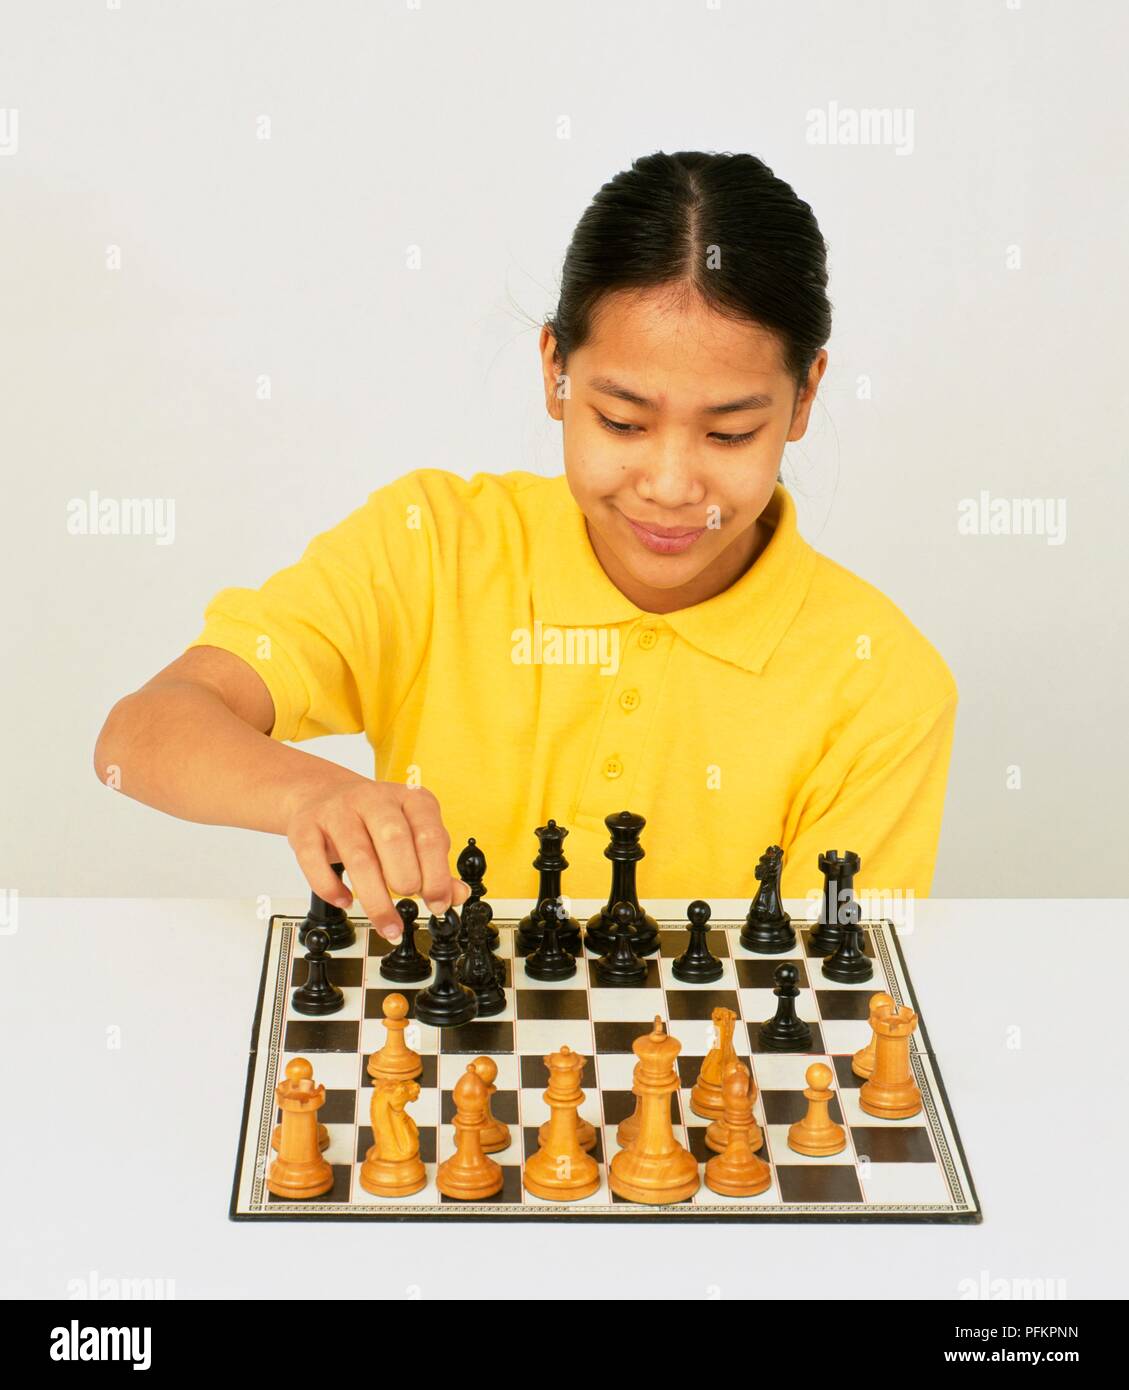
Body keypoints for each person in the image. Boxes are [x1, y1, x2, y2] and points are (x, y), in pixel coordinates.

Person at [93, 150, 957, 939]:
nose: (668, 483)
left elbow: (826, 1005)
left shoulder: (880, 683)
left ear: (805, 397)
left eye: (728, 434)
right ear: (555, 370)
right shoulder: (431, 548)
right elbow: (138, 736)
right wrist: (311, 792)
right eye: (621, 419)